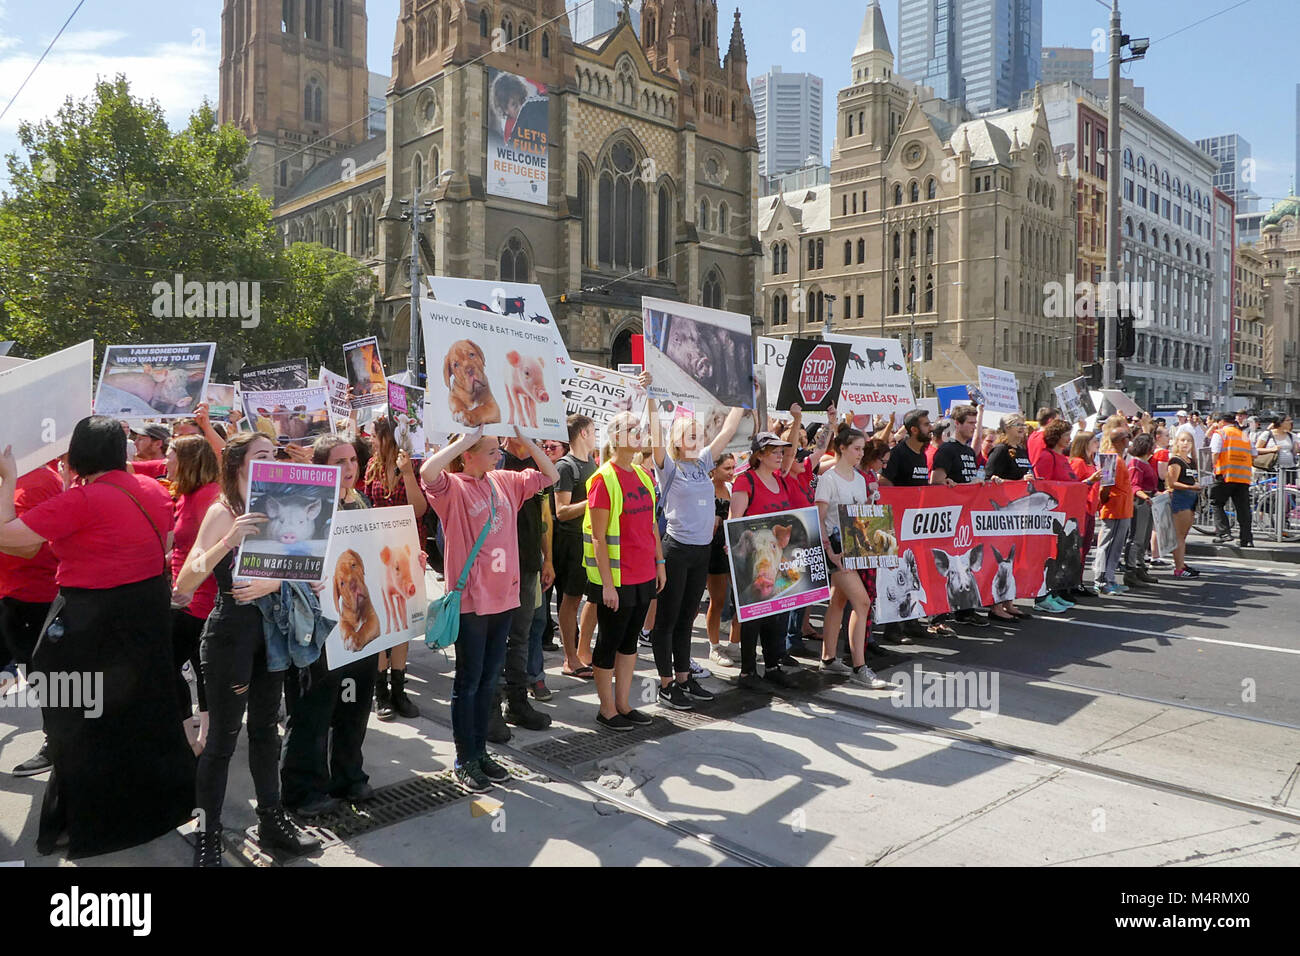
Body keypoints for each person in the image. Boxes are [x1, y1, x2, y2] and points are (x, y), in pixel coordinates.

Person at [0, 418, 196, 859]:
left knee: (82, 723)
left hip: (91, 623)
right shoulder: (153, 491)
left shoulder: (83, 499)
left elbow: (8, 537)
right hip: (145, 617)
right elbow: (164, 543)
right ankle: (151, 810)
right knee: (139, 719)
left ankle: (89, 821)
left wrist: (7, 479)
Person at [174, 431, 319, 866]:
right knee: (220, 741)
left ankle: (272, 821)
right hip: (230, 636)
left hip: (273, 635)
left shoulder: (280, 509)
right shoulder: (224, 512)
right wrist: (227, 542)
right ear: (237, 463)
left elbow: (305, 566)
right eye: (261, 455)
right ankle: (208, 834)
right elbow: (183, 584)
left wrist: (285, 579)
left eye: (274, 453)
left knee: (265, 731)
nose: (271, 460)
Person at [421, 426, 558, 791]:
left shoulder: (505, 481)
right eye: (491, 450)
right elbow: (427, 474)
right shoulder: (453, 488)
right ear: (468, 455)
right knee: (469, 681)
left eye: (498, 449)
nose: (498, 455)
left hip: (505, 598)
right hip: (470, 602)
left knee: (487, 680)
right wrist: (464, 439)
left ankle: (481, 752)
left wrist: (525, 438)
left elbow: (550, 474)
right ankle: (465, 757)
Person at [279, 437, 380, 816]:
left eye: (353, 459)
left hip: (355, 627)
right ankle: (302, 791)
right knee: (312, 710)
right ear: (321, 468)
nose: (349, 468)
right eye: (339, 462)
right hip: (318, 629)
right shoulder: (308, 509)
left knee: (353, 705)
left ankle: (349, 776)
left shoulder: (363, 502)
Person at [646, 402, 743, 710]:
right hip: (676, 550)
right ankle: (665, 685)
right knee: (668, 620)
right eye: (691, 435)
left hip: (701, 551)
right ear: (676, 440)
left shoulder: (703, 462)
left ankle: (684, 677)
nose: (698, 439)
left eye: (700, 435)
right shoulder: (669, 467)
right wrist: (650, 397)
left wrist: (742, 398)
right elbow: (655, 435)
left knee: (688, 618)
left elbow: (727, 430)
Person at [584, 411, 665, 729]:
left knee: (630, 643)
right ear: (616, 437)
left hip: (644, 573)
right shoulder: (603, 479)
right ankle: (606, 710)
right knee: (608, 642)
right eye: (632, 429)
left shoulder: (644, 475)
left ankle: (623, 704)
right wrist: (606, 585)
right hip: (616, 579)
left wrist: (660, 563)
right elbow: (598, 537)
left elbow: (652, 525)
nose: (639, 433)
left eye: (640, 428)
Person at [814, 426, 898, 689]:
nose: (861, 454)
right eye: (857, 449)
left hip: (857, 548)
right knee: (861, 602)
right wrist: (829, 551)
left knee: (838, 600)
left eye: (862, 449)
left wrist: (874, 510)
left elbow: (863, 517)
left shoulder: (861, 479)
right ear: (842, 448)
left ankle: (828, 658)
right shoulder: (829, 479)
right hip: (838, 549)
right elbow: (819, 519)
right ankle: (858, 667)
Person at [360, 417, 429, 721]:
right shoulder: (372, 465)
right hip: (379, 551)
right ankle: (380, 692)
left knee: (402, 622)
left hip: (406, 551)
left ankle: (398, 689)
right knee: (379, 620)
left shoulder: (410, 464)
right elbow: (364, 504)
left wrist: (408, 474)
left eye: (373, 435)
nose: (370, 440)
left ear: (386, 436)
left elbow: (419, 509)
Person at [0, 458, 62, 777]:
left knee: (43, 678)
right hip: (10, 592)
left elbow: (27, 547)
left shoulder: (36, 479)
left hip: (32, 598)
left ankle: (58, 743)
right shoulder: (19, 476)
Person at [729, 428, 802, 692]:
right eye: (775, 451)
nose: (781, 454)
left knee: (777, 613)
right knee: (752, 616)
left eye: (782, 450)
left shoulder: (780, 480)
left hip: (775, 560)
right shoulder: (745, 481)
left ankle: (772, 666)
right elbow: (735, 518)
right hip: (752, 560)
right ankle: (748, 672)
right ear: (760, 455)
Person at [492, 434, 556, 735]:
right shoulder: (494, 460)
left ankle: (516, 702)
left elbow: (544, 519)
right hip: (497, 566)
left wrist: (548, 559)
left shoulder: (534, 462)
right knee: (496, 638)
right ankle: (492, 705)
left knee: (521, 635)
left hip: (528, 563)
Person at [165, 435, 221, 755]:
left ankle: (204, 741)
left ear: (188, 461)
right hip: (182, 601)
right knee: (174, 666)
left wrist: (191, 584)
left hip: (202, 604)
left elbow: (215, 552)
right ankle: (189, 736)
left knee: (201, 673)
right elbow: (184, 545)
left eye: (171, 456)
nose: (165, 462)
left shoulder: (210, 497)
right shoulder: (186, 495)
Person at [879, 409, 953, 639]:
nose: (930, 428)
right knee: (895, 574)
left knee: (914, 571)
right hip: (898, 523)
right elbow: (884, 483)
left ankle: (911, 621)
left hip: (916, 524)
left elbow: (919, 487)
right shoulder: (898, 453)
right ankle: (893, 628)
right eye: (925, 425)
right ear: (913, 430)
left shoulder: (921, 454)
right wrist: (903, 501)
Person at [930, 404, 995, 627]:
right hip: (949, 518)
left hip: (966, 518)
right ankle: (937, 615)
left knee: (965, 563)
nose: (973, 427)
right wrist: (951, 484)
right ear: (956, 424)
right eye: (969, 423)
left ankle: (965, 610)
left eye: (975, 424)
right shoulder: (947, 450)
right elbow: (936, 481)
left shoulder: (968, 452)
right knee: (947, 566)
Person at [553, 415, 599, 680]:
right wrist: (594, 501)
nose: (595, 435)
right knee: (570, 601)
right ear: (583, 433)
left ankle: (584, 653)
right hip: (571, 543)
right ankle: (570, 659)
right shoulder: (565, 467)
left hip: (592, 540)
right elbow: (562, 511)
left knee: (592, 600)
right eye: (593, 431)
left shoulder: (591, 462)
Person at [1032, 419, 1092, 611]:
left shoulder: (1063, 458)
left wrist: (1088, 483)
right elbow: (1043, 486)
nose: (1069, 439)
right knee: (1047, 557)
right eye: (1066, 435)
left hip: (1064, 514)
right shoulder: (1046, 457)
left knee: (1059, 557)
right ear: (1056, 437)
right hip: (1051, 515)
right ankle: (1042, 597)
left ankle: (1054, 592)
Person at [982, 415, 1033, 621]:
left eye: (1023, 425)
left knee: (1014, 558)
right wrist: (1016, 482)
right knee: (1000, 560)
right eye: (1018, 425)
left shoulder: (1021, 450)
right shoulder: (1000, 450)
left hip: (1021, 512)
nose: (1022, 429)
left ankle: (1008, 601)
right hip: (1003, 513)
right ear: (1006, 428)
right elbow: (989, 478)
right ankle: (995, 605)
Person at [705, 453, 742, 668]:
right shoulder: (706, 488)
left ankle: (734, 644)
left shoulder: (732, 489)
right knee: (718, 600)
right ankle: (714, 646)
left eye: (733, 467)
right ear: (714, 469)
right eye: (727, 468)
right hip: (712, 550)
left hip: (732, 549)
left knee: (740, 599)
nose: (732, 472)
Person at [1093, 421, 1134, 594]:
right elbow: (1105, 488)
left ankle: (1109, 578)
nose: (1129, 441)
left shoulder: (1117, 458)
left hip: (1122, 508)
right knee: (1108, 546)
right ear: (1121, 440)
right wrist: (1105, 503)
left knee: (1116, 547)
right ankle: (1102, 580)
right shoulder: (1111, 458)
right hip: (1115, 509)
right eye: (1127, 437)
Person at [1209, 410, 1257, 547]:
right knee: (1243, 508)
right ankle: (1246, 539)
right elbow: (1254, 454)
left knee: (1216, 503)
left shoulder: (1221, 433)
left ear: (1221, 422)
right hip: (1243, 477)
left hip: (1224, 475)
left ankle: (1224, 533)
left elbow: (1215, 453)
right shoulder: (1244, 435)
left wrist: (1211, 469)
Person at [1123, 433, 1161, 588]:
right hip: (1140, 502)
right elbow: (1134, 485)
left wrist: (1157, 493)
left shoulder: (1143, 463)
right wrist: (1145, 496)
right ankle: (1131, 571)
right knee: (1137, 538)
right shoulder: (1136, 464)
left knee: (1143, 538)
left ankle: (1139, 568)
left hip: (1147, 501)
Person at [1165, 430, 1202, 578]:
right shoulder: (1175, 460)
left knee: (1183, 535)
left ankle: (1181, 564)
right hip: (1181, 498)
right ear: (1177, 443)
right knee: (1179, 535)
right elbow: (1173, 483)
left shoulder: (1192, 461)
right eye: (1182, 440)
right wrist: (1191, 487)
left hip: (1192, 498)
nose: (1185, 443)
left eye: (1188, 441)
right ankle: (1179, 567)